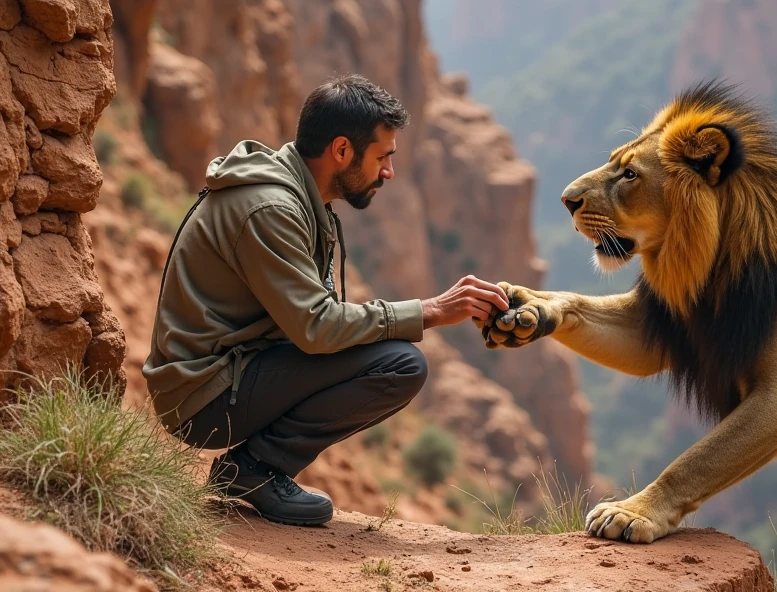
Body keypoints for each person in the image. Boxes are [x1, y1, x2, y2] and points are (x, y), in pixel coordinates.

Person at [142, 74, 510, 526]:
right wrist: (430, 311)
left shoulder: (298, 196)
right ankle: (253, 471)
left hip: (233, 368)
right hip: (202, 398)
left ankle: (253, 467)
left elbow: (318, 320)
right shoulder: (272, 209)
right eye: (382, 158)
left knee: (387, 355)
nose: (389, 173)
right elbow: (317, 328)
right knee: (400, 365)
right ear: (341, 151)